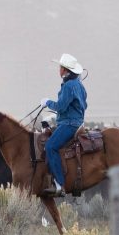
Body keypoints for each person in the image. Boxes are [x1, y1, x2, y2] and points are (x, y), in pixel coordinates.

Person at [44, 53, 88, 191]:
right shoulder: (80, 86)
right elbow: (84, 105)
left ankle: (59, 183)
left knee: (50, 146)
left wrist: (47, 103)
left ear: (64, 70)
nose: (59, 70)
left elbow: (61, 106)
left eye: (60, 67)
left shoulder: (69, 86)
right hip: (76, 122)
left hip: (69, 124)